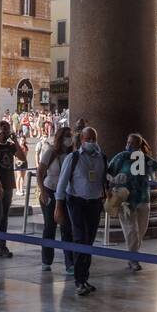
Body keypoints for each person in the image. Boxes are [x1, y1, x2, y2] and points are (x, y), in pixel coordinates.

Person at [55, 125, 106, 297]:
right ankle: (78, 280)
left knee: (89, 241)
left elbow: (103, 179)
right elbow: (62, 183)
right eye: (88, 139)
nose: (91, 142)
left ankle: (85, 277)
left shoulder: (101, 158)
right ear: (82, 140)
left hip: (94, 203)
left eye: (94, 139)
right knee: (79, 239)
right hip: (76, 202)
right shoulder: (73, 157)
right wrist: (58, 206)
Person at [108, 133, 154, 272]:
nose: (128, 146)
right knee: (131, 230)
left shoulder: (145, 159)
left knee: (140, 231)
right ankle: (133, 259)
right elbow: (108, 173)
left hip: (143, 198)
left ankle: (132, 254)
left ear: (138, 145)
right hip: (125, 201)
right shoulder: (120, 157)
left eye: (132, 144)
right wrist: (115, 181)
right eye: (128, 142)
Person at [36, 124, 75, 274]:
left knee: (67, 228)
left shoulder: (73, 154)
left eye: (70, 136)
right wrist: (43, 192)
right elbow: (40, 173)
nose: (69, 139)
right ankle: (46, 260)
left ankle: (69, 263)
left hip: (66, 194)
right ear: (60, 138)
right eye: (66, 136)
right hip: (50, 191)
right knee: (50, 226)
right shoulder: (50, 152)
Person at [0, 120, 27, 257]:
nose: (5, 131)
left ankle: (2, 247)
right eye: (2, 129)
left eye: (7, 129)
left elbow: (22, 158)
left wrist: (15, 141)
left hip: (8, 183)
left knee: (4, 217)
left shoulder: (11, 146)